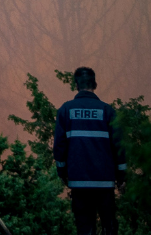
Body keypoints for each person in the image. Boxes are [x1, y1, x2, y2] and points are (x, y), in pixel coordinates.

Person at [54, 67, 126, 234]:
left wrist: (63, 172)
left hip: (79, 181)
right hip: (104, 182)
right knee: (109, 226)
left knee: (85, 228)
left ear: (76, 86)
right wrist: (121, 176)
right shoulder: (107, 111)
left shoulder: (66, 110)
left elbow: (59, 146)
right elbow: (119, 146)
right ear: (95, 84)